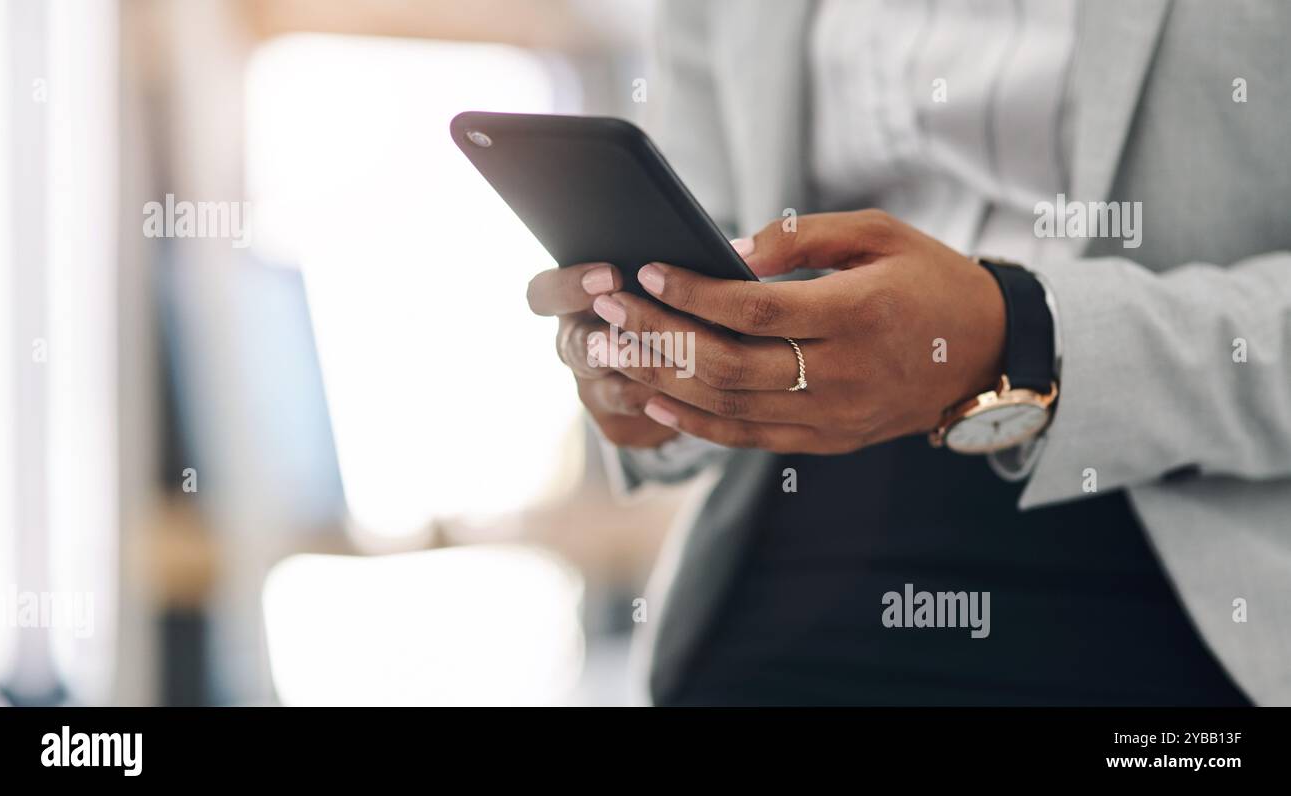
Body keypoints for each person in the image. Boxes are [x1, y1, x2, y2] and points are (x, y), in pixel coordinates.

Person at [527, 0, 1291, 705]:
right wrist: (657, 383)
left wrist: (1022, 335)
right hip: (782, 556)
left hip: (1193, 583)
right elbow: (712, 230)